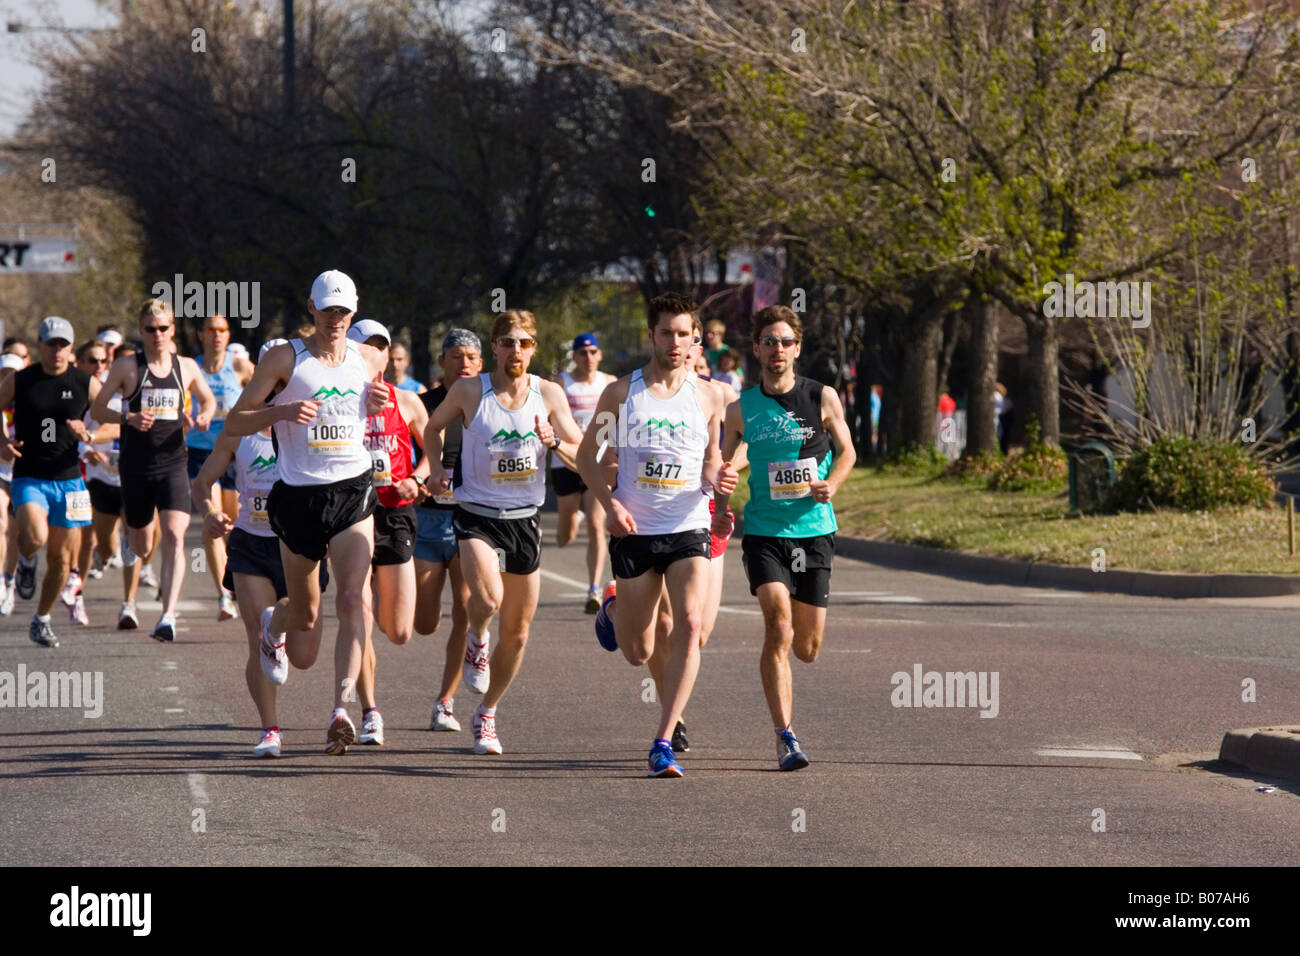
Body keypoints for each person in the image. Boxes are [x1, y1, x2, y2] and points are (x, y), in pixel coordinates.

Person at [223, 269, 389, 756]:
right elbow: (235, 419)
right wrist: (279, 411)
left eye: (344, 311)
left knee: (354, 600)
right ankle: (274, 626)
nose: (336, 319)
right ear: (312, 310)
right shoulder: (284, 358)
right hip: (298, 496)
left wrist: (381, 401)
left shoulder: (370, 357)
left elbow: (378, 405)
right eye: (327, 310)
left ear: (353, 312)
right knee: (307, 611)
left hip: (354, 489)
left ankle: (341, 707)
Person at [575, 293, 737, 777]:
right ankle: (614, 608)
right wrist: (611, 504)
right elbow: (587, 457)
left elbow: (714, 457)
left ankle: (663, 739)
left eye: (683, 334)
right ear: (652, 335)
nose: (674, 342)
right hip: (635, 530)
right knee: (637, 651)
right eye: (665, 332)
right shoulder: (622, 395)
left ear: (696, 339)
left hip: (688, 524)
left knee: (689, 623)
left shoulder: (711, 395)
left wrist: (722, 482)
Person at [423, 310, 584, 755]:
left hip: (525, 520)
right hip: (476, 513)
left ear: (534, 349)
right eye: (509, 342)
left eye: (526, 343)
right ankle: (477, 640)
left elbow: (580, 453)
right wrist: (437, 470)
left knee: (518, 632)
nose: (517, 351)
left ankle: (487, 713)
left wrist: (555, 443)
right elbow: (433, 428)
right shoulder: (470, 390)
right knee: (488, 601)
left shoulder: (549, 394)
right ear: (494, 347)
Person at [714, 305, 856, 771]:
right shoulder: (740, 409)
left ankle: (787, 722)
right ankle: (785, 736)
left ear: (797, 348)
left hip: (815, 532)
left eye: (786, 342)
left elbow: (847, 450)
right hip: (764, 534)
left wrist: (831, 485)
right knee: (778, 625)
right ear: (756, 349)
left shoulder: (822, 396)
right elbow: (721, 466)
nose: (778, 350)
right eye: (769, 342)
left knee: (807, 648)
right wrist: (720, 501)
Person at [191, 338, 328, 757]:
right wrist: (211, 512)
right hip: (252, 543)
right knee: (256, 638)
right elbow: (201, 483)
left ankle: (278, 629)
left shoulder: (316, 422)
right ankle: (270, 729)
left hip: (302, 544)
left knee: (304, 654)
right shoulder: (240, 431)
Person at [91, 299, 217, 641]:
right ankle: (128, 599)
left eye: (164, 328)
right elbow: (99, 409)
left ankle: (167, 615)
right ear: (142, 331)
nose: (158, 334)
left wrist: (204, 415)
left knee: (175, 535)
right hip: (136, 468)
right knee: (141, 543)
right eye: (151, 329)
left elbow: (208, 399)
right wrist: (127, 417)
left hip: (174, 463)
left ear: (172, 329)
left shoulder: (186, 366)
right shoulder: (127, 367)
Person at [351, 319, 431, 746]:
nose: (373, 355)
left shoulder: (408, 401)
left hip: (397, 514)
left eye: (380, 347)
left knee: (399, 630)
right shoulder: (340, 402)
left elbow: (434, 453)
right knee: (358, 613)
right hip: (351, 512)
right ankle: (370, 711)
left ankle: (380, 595)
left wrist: (417, 481)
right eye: (364, 347)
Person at [0, 317, 100, 647]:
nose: (57, 350)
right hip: (30, 476)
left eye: (63, 345)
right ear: (39, 346)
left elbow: (115, 420)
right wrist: (2, 441)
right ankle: (26, 561)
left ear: (71, 349)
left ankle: (41, 618)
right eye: (51, 344)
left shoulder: (85, 382)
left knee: (63, 561)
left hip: (70, 482)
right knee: (35, 537)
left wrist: (90, 434)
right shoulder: (21, 380)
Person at [415, 329, 482, 733]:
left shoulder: (488, 404)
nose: (465, 364)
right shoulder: (423, 406)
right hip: (427, 519)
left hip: (471, 518)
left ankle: (445, 702)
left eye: (472, 357)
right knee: (423, 623)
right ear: (442, 362)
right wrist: (421, 478)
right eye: (456, 356)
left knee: (467, 608)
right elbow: (407, 452)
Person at [187, 314, 255, 621]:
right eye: (211, 330)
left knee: (236, 522)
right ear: (201, 334)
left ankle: (239, 580)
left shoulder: (240, 367)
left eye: (222, 330)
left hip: (236, 452)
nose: (216, 335)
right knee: (214, 520)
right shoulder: (191, 367)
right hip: (201, 451)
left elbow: (269, 391)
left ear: (228, 336)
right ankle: (223, 595)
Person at [551, 333, 616, 612]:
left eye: (593, 352)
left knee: (597, 525)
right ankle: (571, 516)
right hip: (565, 460)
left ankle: (594, 589)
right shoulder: (561, 383)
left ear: (600, 354)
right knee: (564, 536)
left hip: (597, 462)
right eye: (582, 353)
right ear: (574, 356)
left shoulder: (610, 383)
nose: (588, 357)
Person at [0, 353, 22, 615]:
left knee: (17, 532)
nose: (8, 379)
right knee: (1, 523)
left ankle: (11, 577)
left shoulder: (32, 401)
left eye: (13, 375)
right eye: (4, 374)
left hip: (25, 473)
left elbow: (48, 433)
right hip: (1, 471)